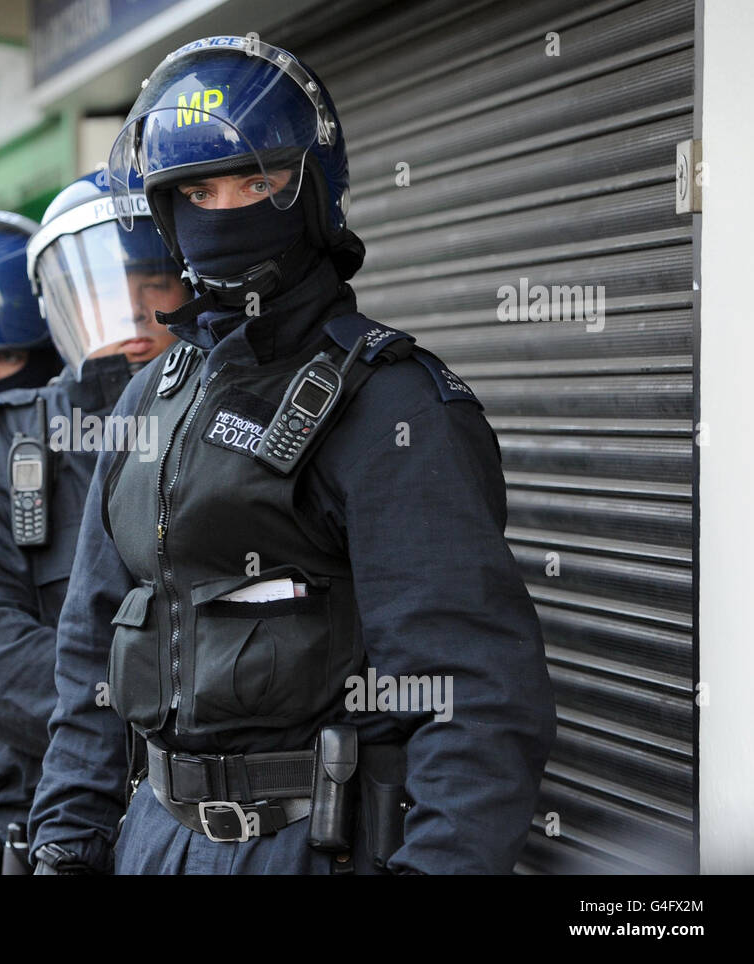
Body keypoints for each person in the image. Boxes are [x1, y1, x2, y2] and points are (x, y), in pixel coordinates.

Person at [28, 35, 557, 876]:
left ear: (311, 188)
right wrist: (68, 833)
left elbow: (477, 699)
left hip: (315, 844)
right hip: (153, 841)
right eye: (196, 189)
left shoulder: (391, 405)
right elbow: (91, 647)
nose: (224, 209)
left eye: (257, 181)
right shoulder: (151, 396)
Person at [0, 187, 186, 873]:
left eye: (154, 287)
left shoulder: (241, 424)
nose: (132, 315)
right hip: (40, 820)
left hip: (210, 830)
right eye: (103, 291)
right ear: (59, 307)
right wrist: (177, 713)